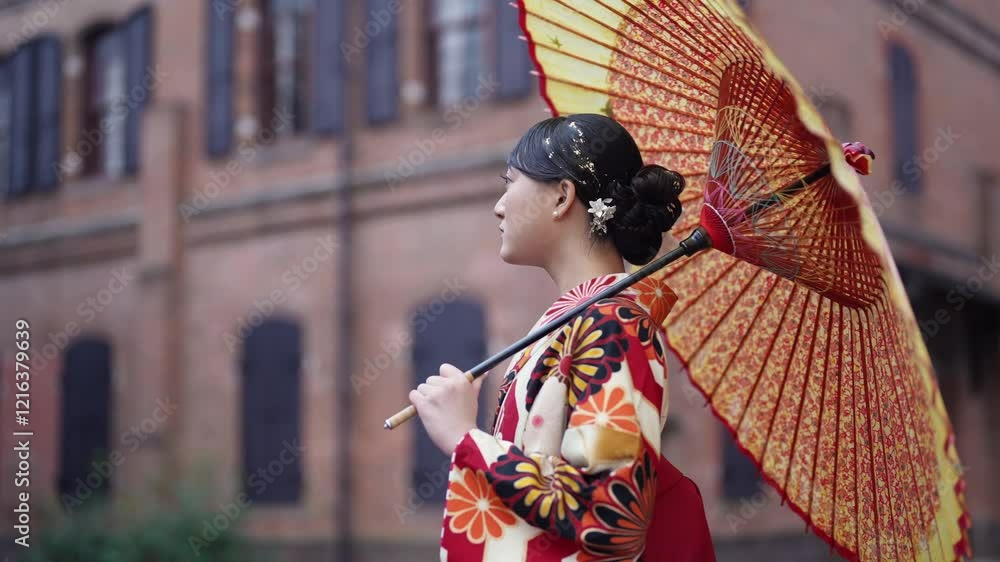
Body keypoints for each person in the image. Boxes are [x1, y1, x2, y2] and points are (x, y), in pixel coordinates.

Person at [409, 114, 717, 561]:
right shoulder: (578, 321)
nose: (498, 205)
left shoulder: (613, 325)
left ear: (561, 196)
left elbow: (611, 512)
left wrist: (466, 439)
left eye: (510, 182)